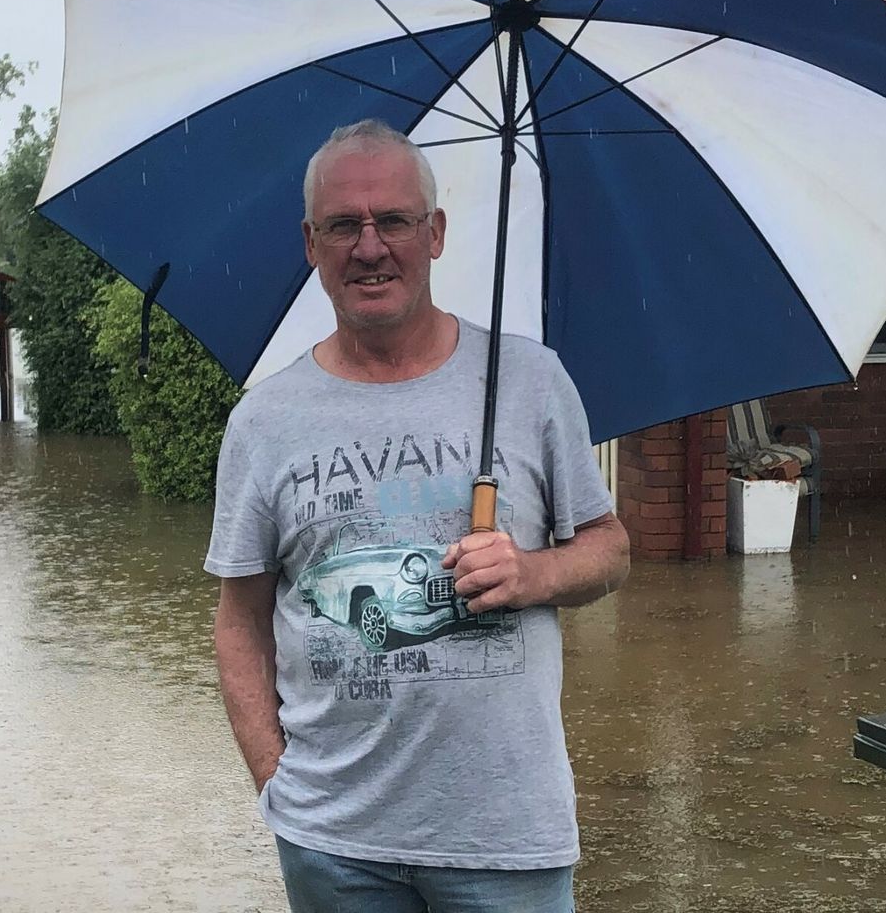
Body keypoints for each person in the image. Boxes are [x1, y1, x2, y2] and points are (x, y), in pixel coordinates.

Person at [206, 119, 632, 913]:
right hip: (334, 846)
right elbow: (240, 622)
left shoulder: (532, 382)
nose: (370, 247)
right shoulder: (264, 421)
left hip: (507, 839)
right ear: (311, 243)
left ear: (434, 233)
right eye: (344, 225)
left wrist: (533, 573)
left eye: (394, 221)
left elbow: (610, 551)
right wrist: (276, 783)